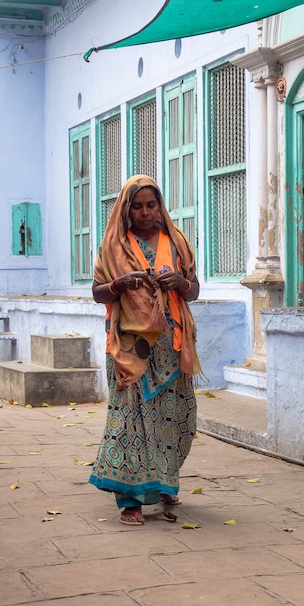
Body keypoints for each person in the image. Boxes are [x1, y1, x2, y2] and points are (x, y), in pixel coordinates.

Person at [88, 174, 201, 526]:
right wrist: (118, 284)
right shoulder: (113, 245)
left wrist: (181, 283)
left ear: (160, 206)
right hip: (130, 347)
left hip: (172, 345)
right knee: (130, 423)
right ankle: (132, 501)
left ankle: (164, 482)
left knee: (177, 420)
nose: (145, 212)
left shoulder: (176, 241)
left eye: (151, 205)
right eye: (136, 206)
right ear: (126, 209)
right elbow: (97, 292)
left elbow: (194, 288)